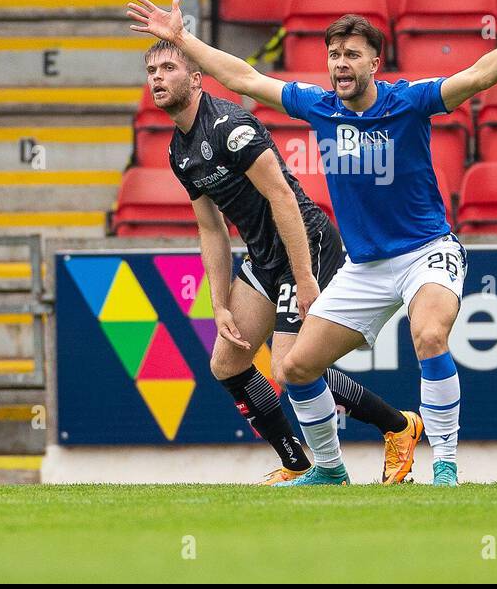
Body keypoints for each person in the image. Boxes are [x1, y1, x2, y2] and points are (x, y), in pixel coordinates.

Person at [128, 0, 497, 486]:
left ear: (375, 63)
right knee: (294, 368)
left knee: (429, 335)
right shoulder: (321, 106)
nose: (341, 64)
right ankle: (329, 469)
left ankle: (445, 464)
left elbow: (477, 76)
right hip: (365, 266)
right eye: (334, 55)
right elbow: (245, 77)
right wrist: (182, 39)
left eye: (352, 55)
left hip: (426, 251)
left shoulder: (409, 101)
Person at [144, 39, 423, 484]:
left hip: (305, 243)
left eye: (168, 68)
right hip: (262, 257)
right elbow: (211, 230)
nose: (157, 77)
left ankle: (398, 426)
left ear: (196, 80)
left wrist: (304, 277)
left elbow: (283, 199)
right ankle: (297, 463)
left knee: (288, 367)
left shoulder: (231, 126)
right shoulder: (179, 151)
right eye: (151, 70)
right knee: (227, 362)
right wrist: (218, 304)